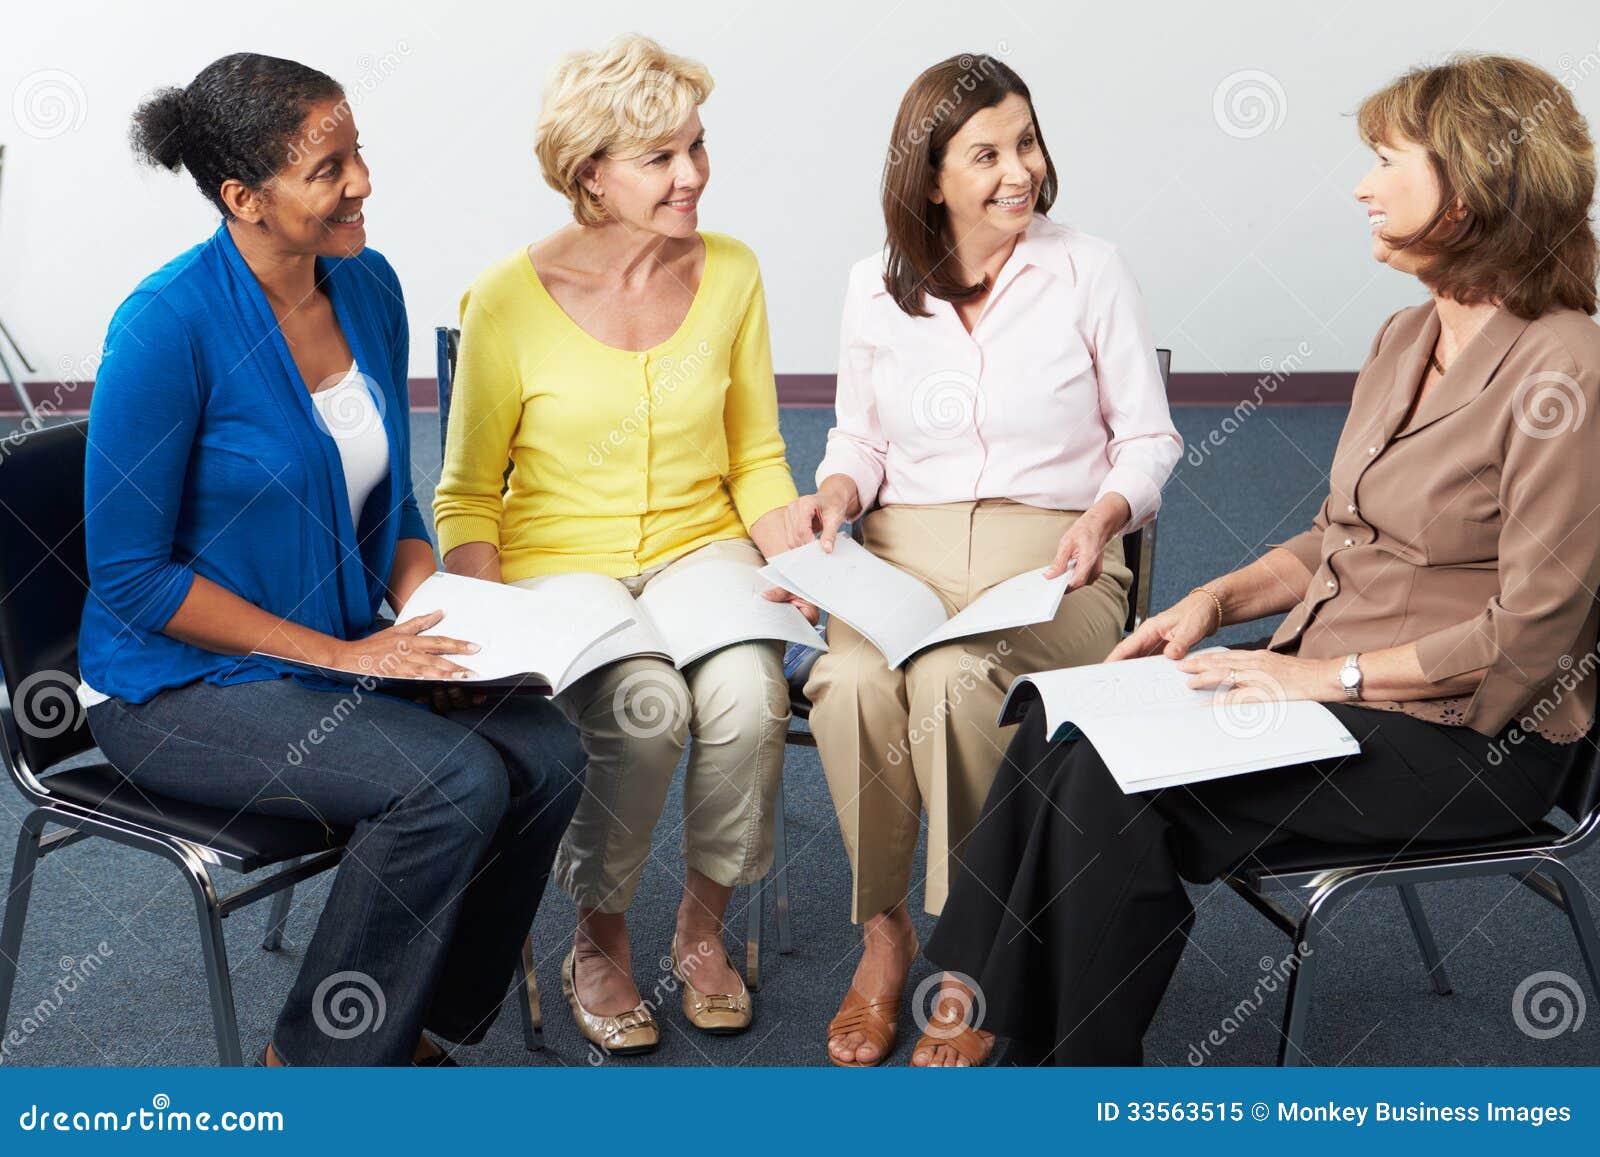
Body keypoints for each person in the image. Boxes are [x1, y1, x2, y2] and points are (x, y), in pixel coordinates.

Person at [924, 52, 1600, 1065]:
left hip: (1472, 739)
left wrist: (1319, 676)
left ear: (1469, 191)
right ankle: (975, 1010)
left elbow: (1540, 630)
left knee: (1113, 787)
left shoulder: (1568, 369)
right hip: (1333, 688)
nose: (1363, 187)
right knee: (1052, 724)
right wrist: (1213, 600)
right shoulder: (1404, 336)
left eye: (1386, 162)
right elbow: (1340, 534)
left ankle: (1071, 1080)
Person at [80, 53, 582, 1066]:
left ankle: (426, 1031)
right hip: (173, 685)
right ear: (244, 198)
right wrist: (344, 657)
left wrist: (430, 618)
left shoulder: (366, 284)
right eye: (329, 167)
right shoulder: (163, 326)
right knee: (448, 783)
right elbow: (132, 578)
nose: (361, 183)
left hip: (345, 641)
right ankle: (310, 1072)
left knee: (547, 751)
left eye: (359, 153)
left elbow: (389, 499)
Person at [770, 54, 1181, 1066]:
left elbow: (1149, 439)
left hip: (1052, 558)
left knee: (957, 684)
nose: (1019, 171)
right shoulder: (875, 286)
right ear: (928, 176)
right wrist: (834, 495)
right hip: (902, 556)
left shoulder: (1088, 268)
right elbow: (857, 442)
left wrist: (1107, 515)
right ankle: (885, 939)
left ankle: (974, 962)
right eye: (986, 152)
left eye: (1026, 142)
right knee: (851, 682)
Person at [432, 34, 810, 1053]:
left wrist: (800, 555)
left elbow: (759, 455)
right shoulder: (505, 298)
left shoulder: (732, 272)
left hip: (702, 547)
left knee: (746, 693)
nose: (693, 174)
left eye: (696, 145)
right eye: (660, 157)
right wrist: (491, 629)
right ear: (587, 173)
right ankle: (597, 938)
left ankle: (698, 928)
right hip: (563, 562)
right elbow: (466, 495)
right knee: (648, 711)